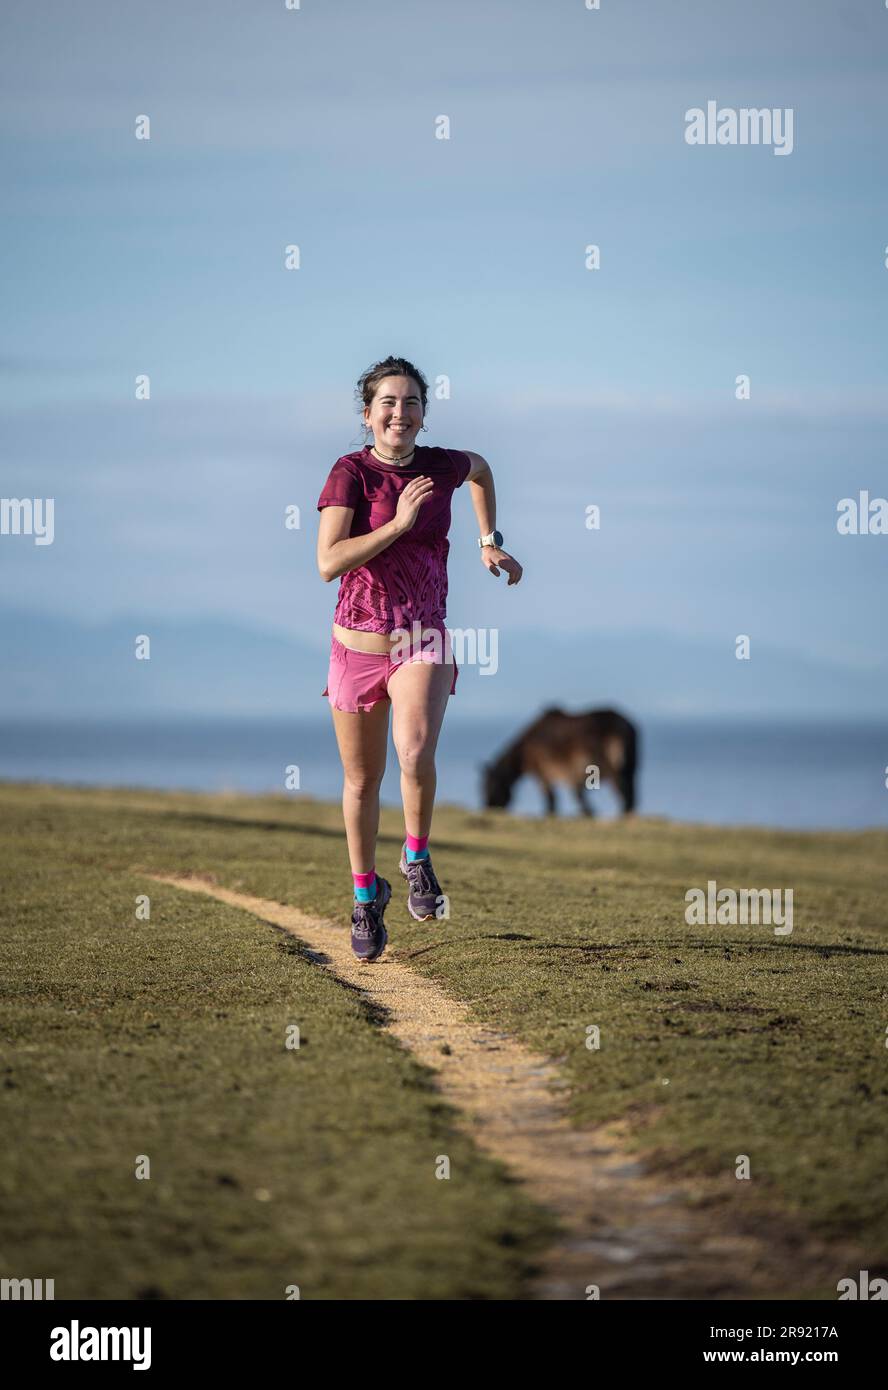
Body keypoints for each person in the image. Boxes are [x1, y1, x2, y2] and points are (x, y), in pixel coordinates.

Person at [316, 355, 523, 962]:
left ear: (423, 414)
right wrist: (401, 521)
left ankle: (416, 855)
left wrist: (489, 542)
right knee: (361, 778)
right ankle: (364, 894)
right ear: (368, 414)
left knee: (414, 751)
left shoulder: (442, 465)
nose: (399, 413)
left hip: (420, 638)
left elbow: (481, 469)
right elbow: (329, 562)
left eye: (411, 403)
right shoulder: (349, 473)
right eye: (388, 403)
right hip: (356, 644)